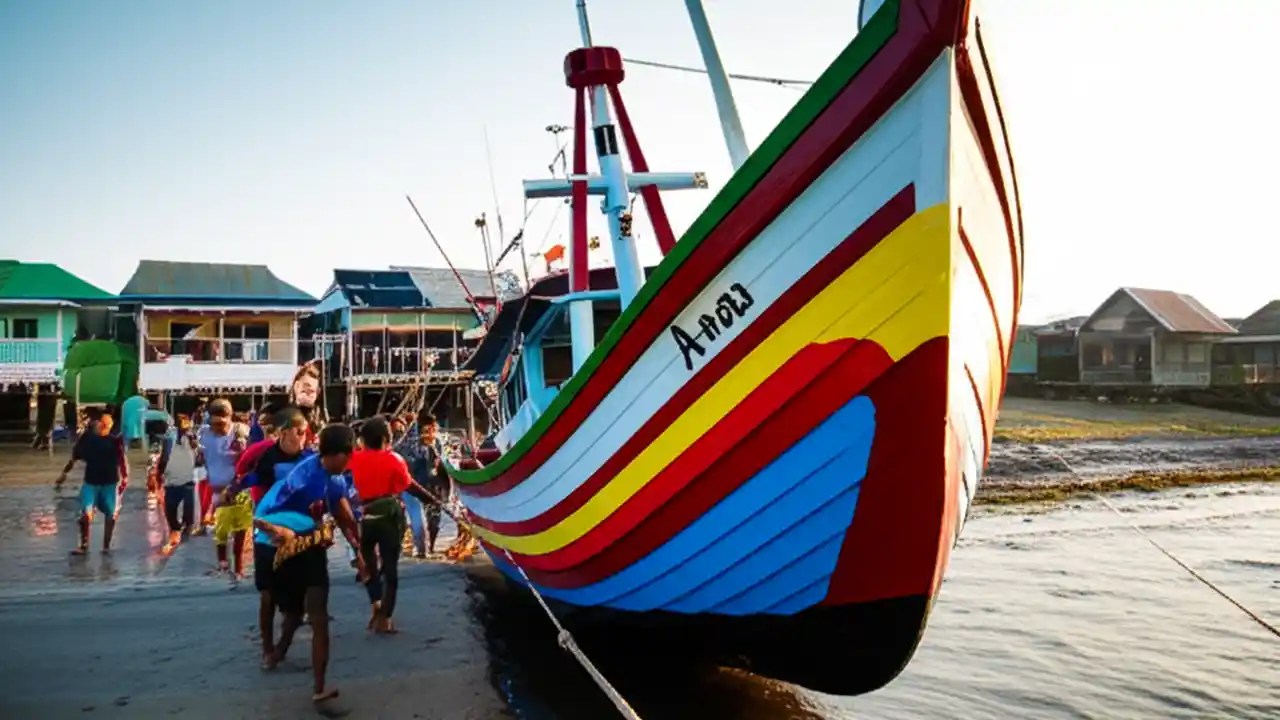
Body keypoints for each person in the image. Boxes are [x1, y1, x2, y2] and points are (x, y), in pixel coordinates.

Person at [252, 423, 364, 702]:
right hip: (290, 540)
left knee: (282, 604)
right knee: (316, 616)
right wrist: (358, 549)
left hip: (272, 540)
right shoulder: (313, 478)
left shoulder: (322, 474)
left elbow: (344, 517)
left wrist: (357, 549)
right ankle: (317, 687)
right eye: (348, 456)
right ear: (338, 454)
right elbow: (344, 517)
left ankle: (273, 653)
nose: (350, 462)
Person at [349, 417, 442, 634]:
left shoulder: (355, 459)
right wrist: (432, 500)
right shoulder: (394, 459)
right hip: (389, 517)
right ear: (385, 439)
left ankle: (376, 605)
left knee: (370, 567)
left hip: (366, 517)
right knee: (390, 569)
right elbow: (409, 486)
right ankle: (385, 618)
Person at [56, 412, 128, 555]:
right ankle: (86, 545)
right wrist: (63, 474)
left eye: (106, 424)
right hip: (95, 482)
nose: (103, 426)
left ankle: (103, 546)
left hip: (107, 483)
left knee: (108, 514)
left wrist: (125, 477)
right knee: (88, 514)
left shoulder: (113, 441)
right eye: (102, 424)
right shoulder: (89, 439)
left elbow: (122, 459)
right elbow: (74, 457)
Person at [197, 400, 245, 575]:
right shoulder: (204, 434)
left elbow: (248, 458)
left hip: (238, 489)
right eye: (216, 424)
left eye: (222, 424)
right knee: (221, 530)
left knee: (240, 530)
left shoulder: (239, 432)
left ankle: (239, 567)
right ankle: (223, 564)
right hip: (217, 489)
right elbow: (201, 458)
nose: (220, 428)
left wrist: (241, 449)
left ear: (229, 417)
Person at [394, 411, 450, 556]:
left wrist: (437, 458)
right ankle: (421, 548)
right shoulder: (409, 442)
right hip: (413, 486)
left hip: (433, 486)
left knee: (434, 519)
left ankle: (429, 546)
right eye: (428, 428)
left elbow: (442, 462)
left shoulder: (437, 442)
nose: (431, 431)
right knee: (417, 519)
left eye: (433, 428)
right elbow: (405, 460)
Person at [147, 416, 198, 555]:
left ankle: (184, 529)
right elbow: (164, 456)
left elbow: (196, 451)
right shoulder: (171, 438)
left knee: (181, 508)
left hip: (185, 479)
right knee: (171, 509)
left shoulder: (190, 437)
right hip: (174, 479)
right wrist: (159, 473)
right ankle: (179, 529)